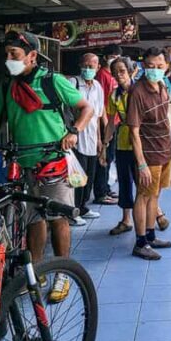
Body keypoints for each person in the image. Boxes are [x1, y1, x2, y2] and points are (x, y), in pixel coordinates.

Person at [0, 31, 94, 303]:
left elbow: (86, 108)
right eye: (7, 54)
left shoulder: (52, 81)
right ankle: (36, 273)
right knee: (34, 220)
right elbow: (0, 116)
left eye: (15, 54)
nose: (9, 59)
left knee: (58, 219)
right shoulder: (8, 86)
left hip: (53, 162)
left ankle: (62, 274)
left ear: (32, 56)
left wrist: (74, 132)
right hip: (24, 164)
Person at [126, 47, 171, 260]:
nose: (154, 70)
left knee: (155, 195)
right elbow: (134, 132)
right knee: (143, 196)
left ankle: (151, 235)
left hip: (165, 150)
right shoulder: (138, 92)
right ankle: (140, 243)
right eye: (150, 66)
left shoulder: (162, 85)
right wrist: (142, 164)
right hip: (149, 154)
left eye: (159, 66)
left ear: (166, 66)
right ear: (143, 66)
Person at [68, 52, 105, 226]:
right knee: (77, 177)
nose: (88, 69)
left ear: (98, 67)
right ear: (80, 66)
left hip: (91, 138)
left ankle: (83, 207)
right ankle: (73, 211)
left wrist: (99, 139)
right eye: (85, 66)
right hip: (75, 138)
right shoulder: (73, 83)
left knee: (89, 175)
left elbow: (97, 116)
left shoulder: (97, 86)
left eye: (92, 66)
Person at [102, 57, 136, 236]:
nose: (119, 75)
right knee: (124, 182)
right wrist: (104, 145)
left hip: (143, 143)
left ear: (130, 71)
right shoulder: (114, 95)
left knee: (145, 183)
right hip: (123, 143)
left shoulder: (141, 90)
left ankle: (154, 215)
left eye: (122, 71)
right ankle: (126, 220)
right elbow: (110, 123)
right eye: (115, 73)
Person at [93, 44, 121, 206]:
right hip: (107, 123)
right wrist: (106, 126)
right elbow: (101, 103)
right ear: (105, 58)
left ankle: (106, 187)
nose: (115, 60)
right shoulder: (102, 75)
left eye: (117, 57)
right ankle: (100, 193)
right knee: (103, 158)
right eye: (112, 57)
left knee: (109, 157)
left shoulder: (113, 75)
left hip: (114, 121)